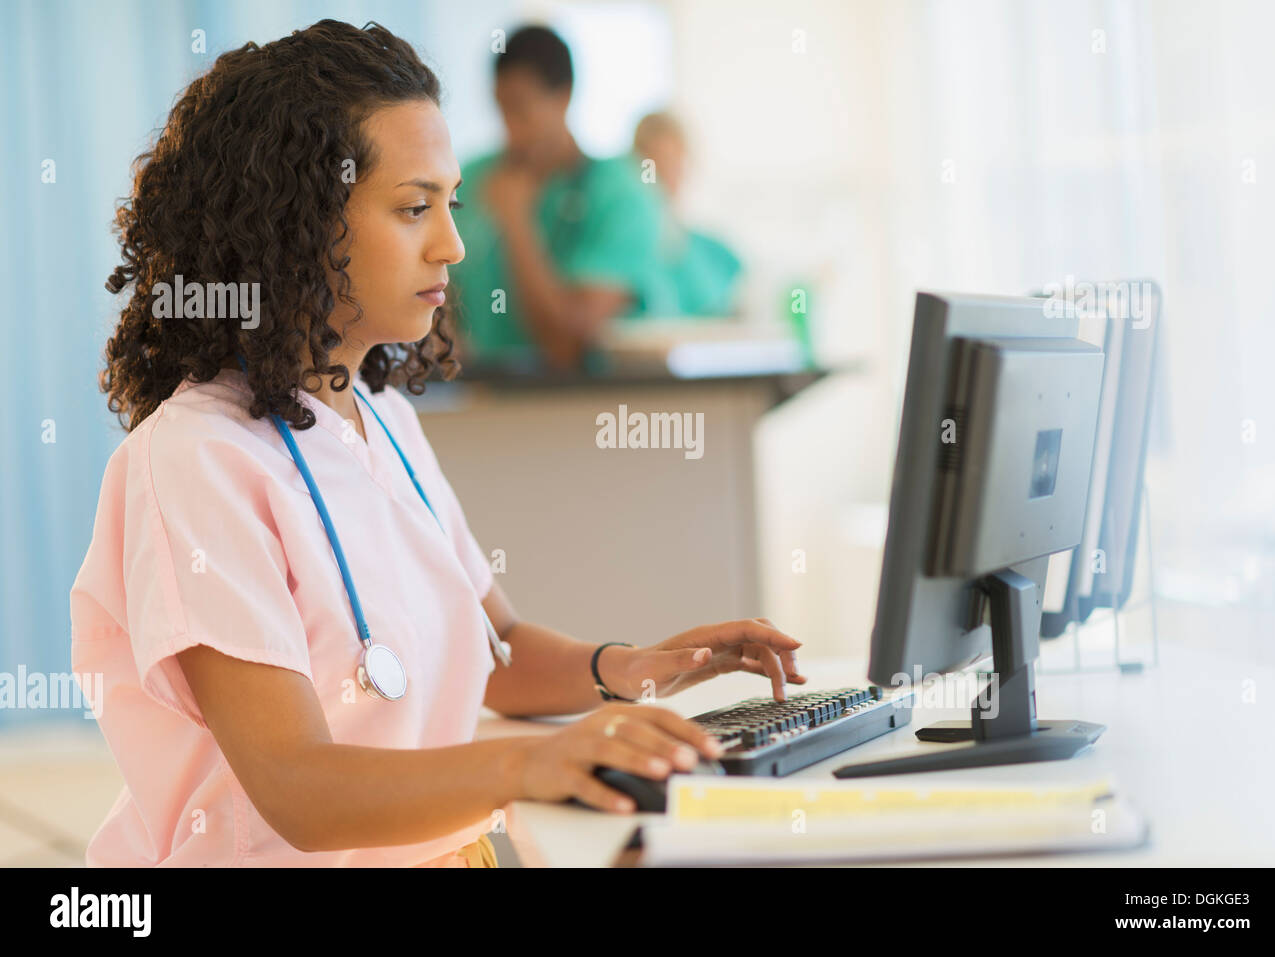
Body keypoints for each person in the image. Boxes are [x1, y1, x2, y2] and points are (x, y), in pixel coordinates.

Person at [70, 19, 804, 868]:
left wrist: (645, 665)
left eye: (450, 204)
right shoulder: (198, 460)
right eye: (414, 207)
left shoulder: (379, 415)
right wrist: (532, 763)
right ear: (297, 222)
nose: (452, 244)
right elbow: (299, 788)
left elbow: (497, 654)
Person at [451, 25, 670, 371]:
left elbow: (566, 345)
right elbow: (442, 295)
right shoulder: (472, 178)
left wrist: (516, 223)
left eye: (521, 109)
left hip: (579, 406)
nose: (509, 128)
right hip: (480, 398)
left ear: (564, 96)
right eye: (501, 108)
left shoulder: (622, 195)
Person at [634, 110, 745, 317]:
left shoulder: (712, 250)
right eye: (654, 166)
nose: (665, 176)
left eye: (673, 164)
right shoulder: (624, 248)